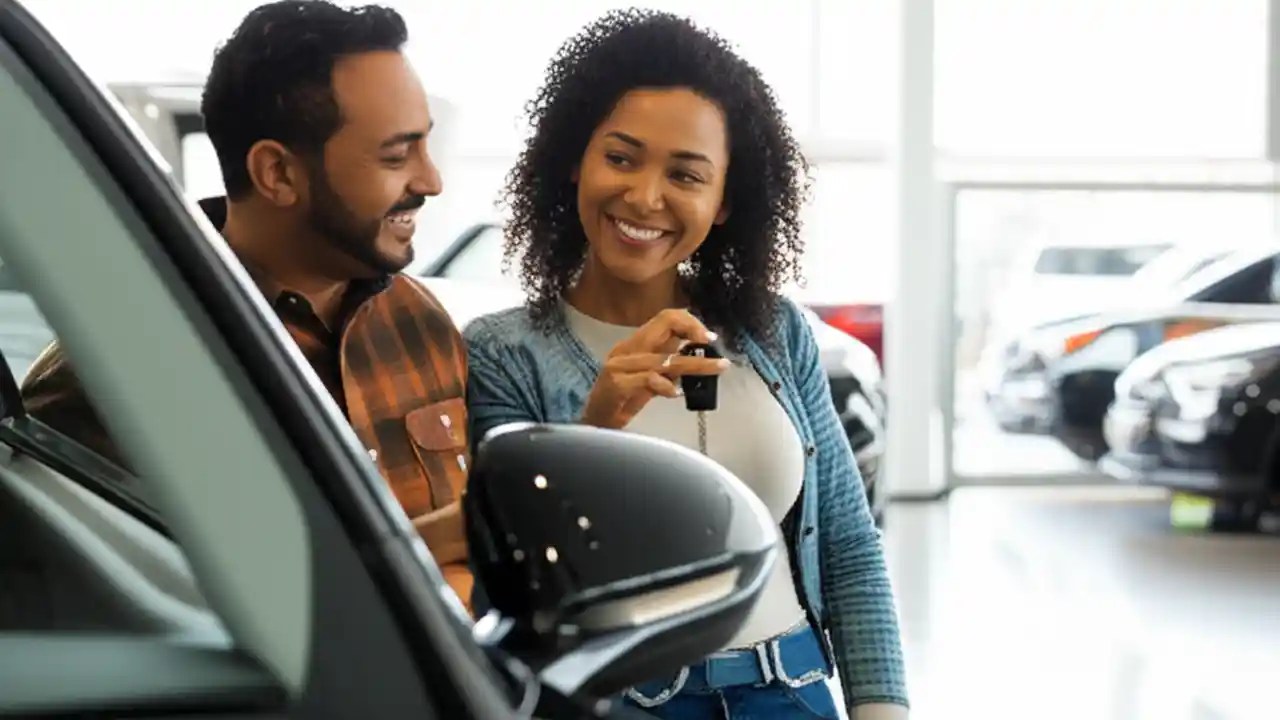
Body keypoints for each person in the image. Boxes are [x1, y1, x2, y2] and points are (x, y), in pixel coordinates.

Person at [463, 9, 909, 719]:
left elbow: (850, 547)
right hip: (622, 705)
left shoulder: (773, 330)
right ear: (574, 158)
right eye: (621, 157)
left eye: (685, 173)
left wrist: (882, 708)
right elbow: (508, 590)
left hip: (791, 693)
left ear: (724, 199)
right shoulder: (502, 351)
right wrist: (598, 423)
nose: (645, 196)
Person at [21, 1, 475, 609]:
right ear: (277, 173)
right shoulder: (112, 377)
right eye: (397, 156)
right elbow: (159, 630)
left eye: (426, 146)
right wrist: (434, 539)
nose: (431, 180)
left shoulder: (423, 323)